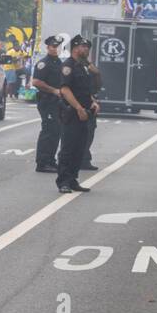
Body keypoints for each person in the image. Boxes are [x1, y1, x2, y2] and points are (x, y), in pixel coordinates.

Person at [56, 35, 100, 194]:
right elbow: (65, 89)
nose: (86, 49)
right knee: (68, 148)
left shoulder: (82, 67)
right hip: (72, 113)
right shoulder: (68, 66)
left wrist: (93, 101)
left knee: (79, 148)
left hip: (85, 113)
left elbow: (85, 90)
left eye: (87, 47)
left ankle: (73, 179)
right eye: (83, 46)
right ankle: (63, 181)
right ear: (75, 48)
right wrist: (79, 108)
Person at [31, 35, 65, 174]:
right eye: (53, 46)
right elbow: (36, 82)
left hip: (56, 102)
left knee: (56, 131)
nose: (56, 49)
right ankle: (43, 162)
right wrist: (54, 90)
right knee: (49, 131)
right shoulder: (44, 63)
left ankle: (50, 160)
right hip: (47, 100)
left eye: (58, 46)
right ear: (48, 47)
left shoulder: (58, 63)